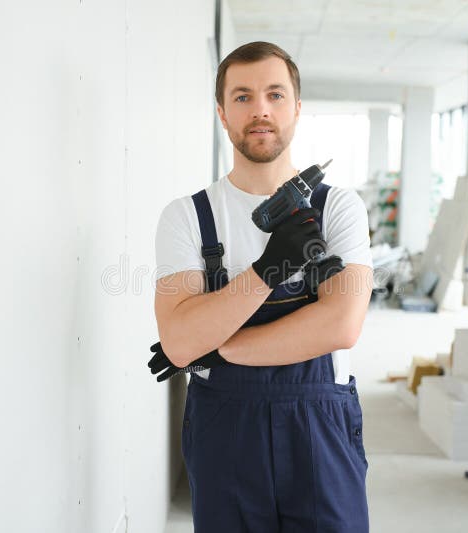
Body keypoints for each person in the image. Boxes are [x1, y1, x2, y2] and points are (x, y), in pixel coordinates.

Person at [150, 41, 373, 532]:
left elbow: (342, 323)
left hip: (320, 424)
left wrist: (219, 346)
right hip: (224, 428)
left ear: (296, 107)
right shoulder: (187, 217)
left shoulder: (339, 208)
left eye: (275, 94)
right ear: (222, 114)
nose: (261, 110)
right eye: (243, 97)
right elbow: (181, 342)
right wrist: (270, 268)